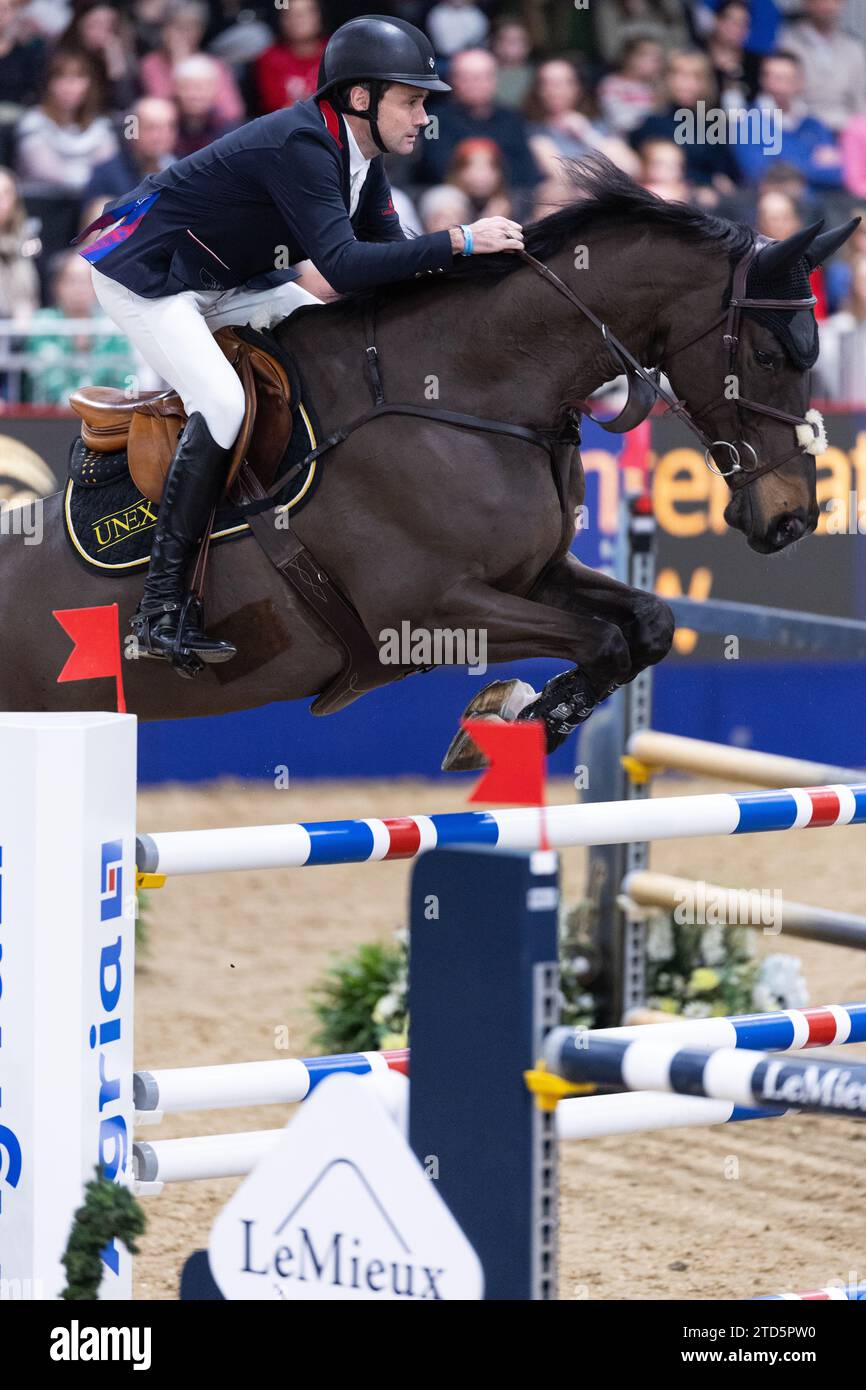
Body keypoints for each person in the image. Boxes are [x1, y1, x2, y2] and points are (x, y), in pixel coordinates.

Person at [70, 15, 525, 673]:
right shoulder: (304, 144)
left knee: (318, 327)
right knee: (222, 405)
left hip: (228, 279)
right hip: (148, 276)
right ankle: (162, 610)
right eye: (413, 98)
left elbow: (393, 262)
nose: (424, 116)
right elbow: (343, 265)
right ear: (360, 97)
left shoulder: (360, 157)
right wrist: (458, 241)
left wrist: (485, 272)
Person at [413, 47, 541, 192]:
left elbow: (526, 168)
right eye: (466, 77)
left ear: (495, 80)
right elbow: (434, 167)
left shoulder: (512, 118)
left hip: (510, 196)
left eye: (482, 77)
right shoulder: (433, 118)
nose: (475, 84)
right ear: (452, 80)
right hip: (452, 194)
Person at [733, 51, 845, 193]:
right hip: (773, 207)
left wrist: (783, 164)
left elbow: (837, 174)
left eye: (782, 79)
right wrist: (812, 164)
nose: (774, 85)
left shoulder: (814, 124)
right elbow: (758, 173)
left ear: (799, 82)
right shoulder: (746, 123)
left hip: (821, 205)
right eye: (768, 76)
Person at [13, 48, 118, 193]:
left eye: (78, 78)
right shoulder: (32, 122)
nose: (69, 86)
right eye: (61, 77)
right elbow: (45, 171)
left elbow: (108, 168)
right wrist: (94, 178)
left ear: (89, 84)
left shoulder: (100, 125)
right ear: (49, 84)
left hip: (91, 203)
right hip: (44, 205)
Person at [779, 0, 866, 134]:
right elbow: (785, 97)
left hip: (848, 130)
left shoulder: (853, 48)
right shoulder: (786, 43)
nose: (828, 6)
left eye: (835, 1)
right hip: (802, 129)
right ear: (806, 3)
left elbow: (860, 102)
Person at [253, 0, 327, 114]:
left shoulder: (334, 51)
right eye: (291, 15)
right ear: (282, 20)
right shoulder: (269, 59)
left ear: (318, 16)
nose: (298, 20)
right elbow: (275, 109)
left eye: (304, 13)